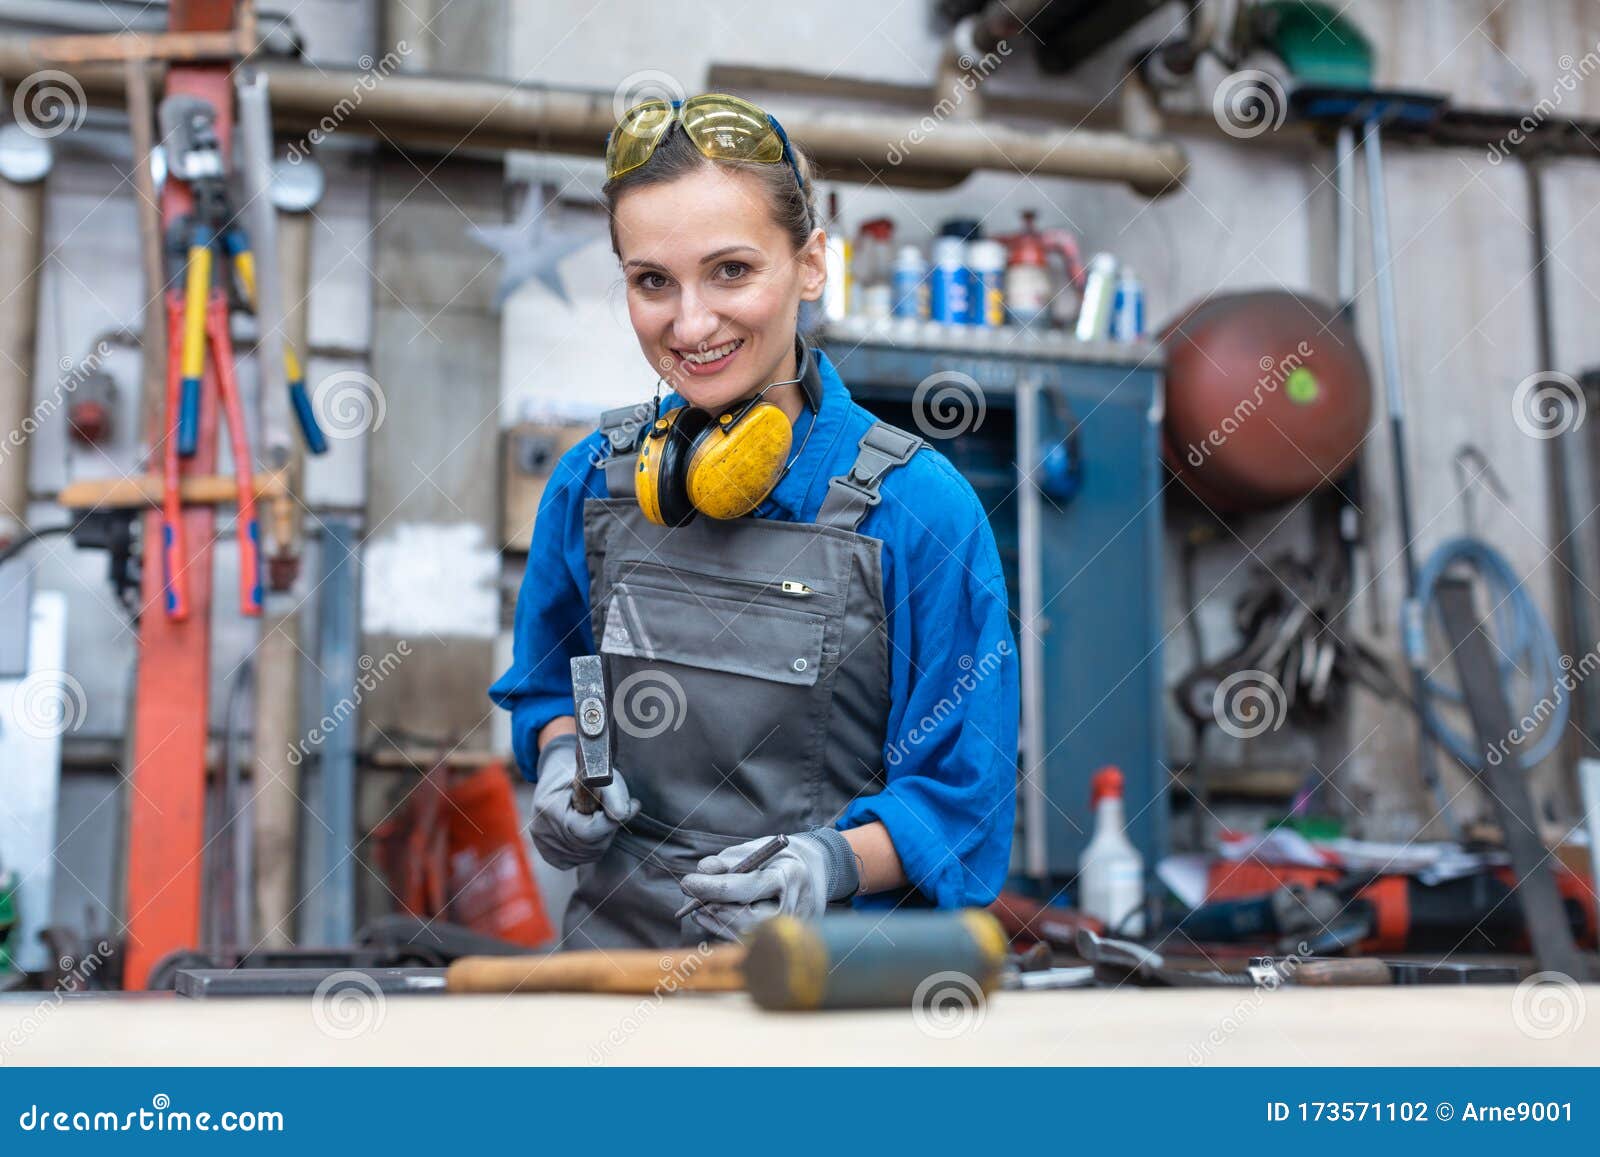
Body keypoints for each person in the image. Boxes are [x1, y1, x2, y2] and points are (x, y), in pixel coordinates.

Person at [489, 93, 1018, 949]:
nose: (690, 323)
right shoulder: (594, 481)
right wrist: (558, 760)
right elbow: (552, 685)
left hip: (825, 1002)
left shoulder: (918, 510)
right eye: (652, 281)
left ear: (811, 264)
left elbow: (963, 804)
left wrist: (828, 864)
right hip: (610, 989)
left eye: (732, 270)